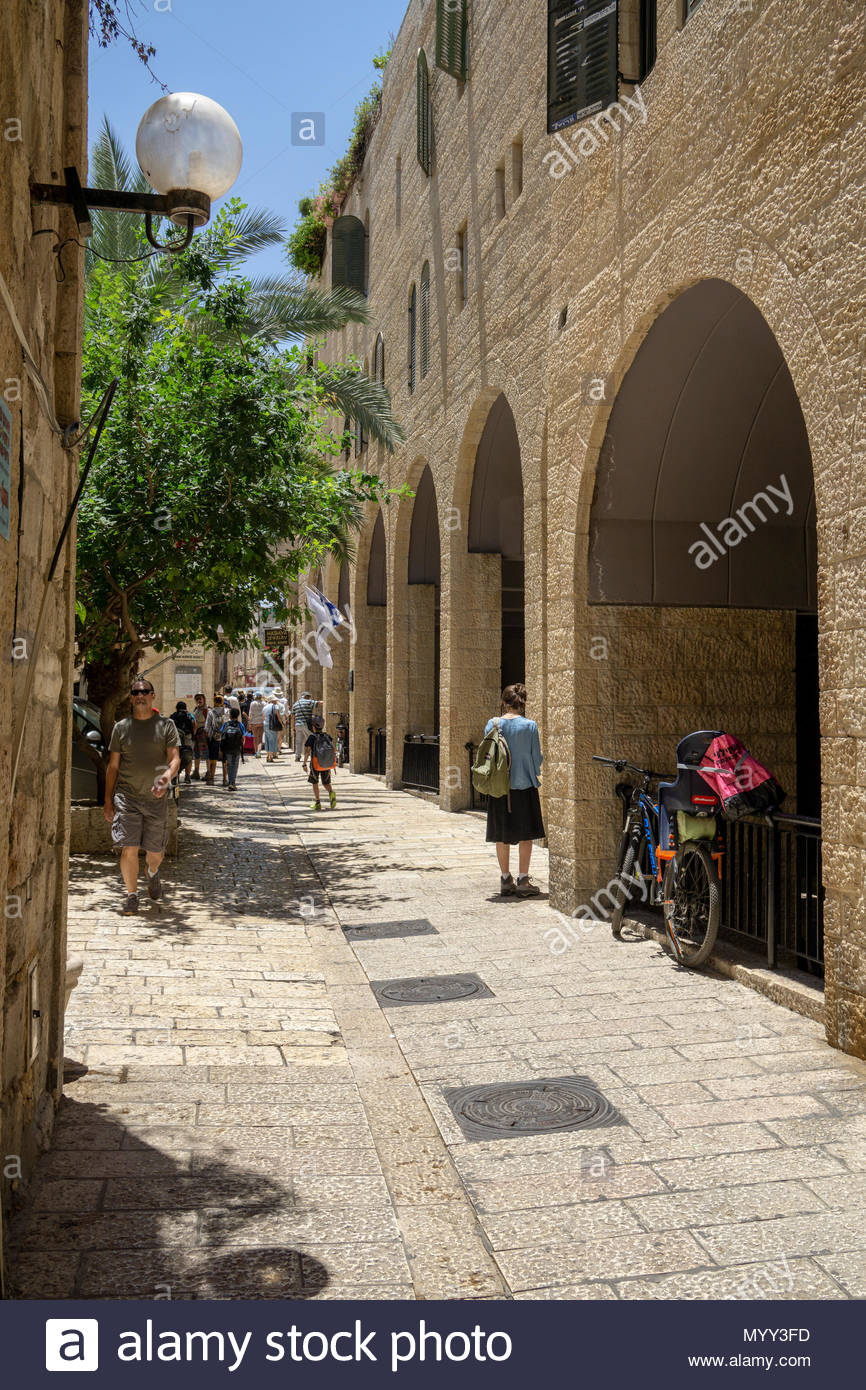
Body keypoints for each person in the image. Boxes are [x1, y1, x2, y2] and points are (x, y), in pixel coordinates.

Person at [104, 678, 181, 914]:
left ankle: (152, 873)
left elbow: (175, 759)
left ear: (153, 695)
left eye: (145, 692)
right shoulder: (121, 728)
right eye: (136, 692)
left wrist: (165, 778)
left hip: (156, 800)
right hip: (127, 798)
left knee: (155, 853)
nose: (140, 695)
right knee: (128, 847)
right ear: (131, 697)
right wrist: (108, 799)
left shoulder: (166, 726)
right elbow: (113, 766)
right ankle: (131, 895)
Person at [484, 683, 545, 897]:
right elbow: (537, 759)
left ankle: (505, 878)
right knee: (526, 834)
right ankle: (523, 880)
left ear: (504, 702)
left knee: (502, 834)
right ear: (523, 703)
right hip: (524, 785)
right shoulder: (530, 726)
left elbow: (487, 758)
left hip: (499, 788)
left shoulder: (492, 724)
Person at [303, 715, 337, 811]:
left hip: (315, 763)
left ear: (313, 726)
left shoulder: (312, 737)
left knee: (315, 782)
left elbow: (307, 752)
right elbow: (334, 749)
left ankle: (317, 803)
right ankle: (331, 793)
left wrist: (304, 764)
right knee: (326, 782)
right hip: (326, 763)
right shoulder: (327, 736)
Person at [169, 700, 196, 784]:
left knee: (175, 757)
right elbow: (195, 725)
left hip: (176, 738)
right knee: (189, 757)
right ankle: (187, 776)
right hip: (187, 738)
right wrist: (192, 736)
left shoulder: (173, 715)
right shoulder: (190, 715)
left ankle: (175, 775)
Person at [219, 706, 246, 790]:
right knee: (235, 765)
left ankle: (229, 781)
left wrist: (220, 749)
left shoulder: (226, 724)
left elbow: (221, 735)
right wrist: (241, 746)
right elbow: (243, 737)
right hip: (236, 748)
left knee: (229, 765)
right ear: (238, 715)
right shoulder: (240, 725)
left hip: (227, 749)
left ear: (230, 716)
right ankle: (232, 782)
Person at [292, 690, 318, 762]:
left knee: (298, 742)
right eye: (309, 697)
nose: (310, 698)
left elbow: (293, 716)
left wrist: (293, 727)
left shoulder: (295, 704)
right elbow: (319, 703)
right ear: (306, 696)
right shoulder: (308, 702)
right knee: (310, 740)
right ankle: (312, 755)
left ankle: (297, 756)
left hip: (298, 724)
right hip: (306, 724)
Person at [205, 696, 226, 785]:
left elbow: (206, 727)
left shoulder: (210, 712)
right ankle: (225, 779)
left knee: (213, 758)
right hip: (225, 738)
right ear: (222, 702)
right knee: (224, 759)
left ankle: (211, 778)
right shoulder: (226, 711)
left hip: (213, 737)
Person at [191, 692, 209, 780]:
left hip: (204, 734)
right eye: (197, 699)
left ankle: (209, 772)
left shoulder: (206, 710)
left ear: (204, 699)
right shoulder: (196, 709)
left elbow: (209, 722)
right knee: (196, 753)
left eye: (200, 698)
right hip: (196, 733)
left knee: (206, 753)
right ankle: (196, 772)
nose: (199, 700)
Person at [262, 697, 280, 763]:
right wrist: (281, 723)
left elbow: (263, 717)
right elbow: (278, 716)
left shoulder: (265, 707)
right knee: (273, 740)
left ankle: (267, 755)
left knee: (267, 740)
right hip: (272, 725)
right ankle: (270, 756)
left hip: (265, 724)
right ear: (273, 701)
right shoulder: (275, 706)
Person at [248, 690, 265, 756]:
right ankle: (259, 752)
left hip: (254, 722)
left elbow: (250, 713)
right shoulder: (264, 703)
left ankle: (255, 752)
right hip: (261, 722)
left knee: (255, 738)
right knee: (260, 738)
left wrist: (249, 723)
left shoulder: (252, 703)